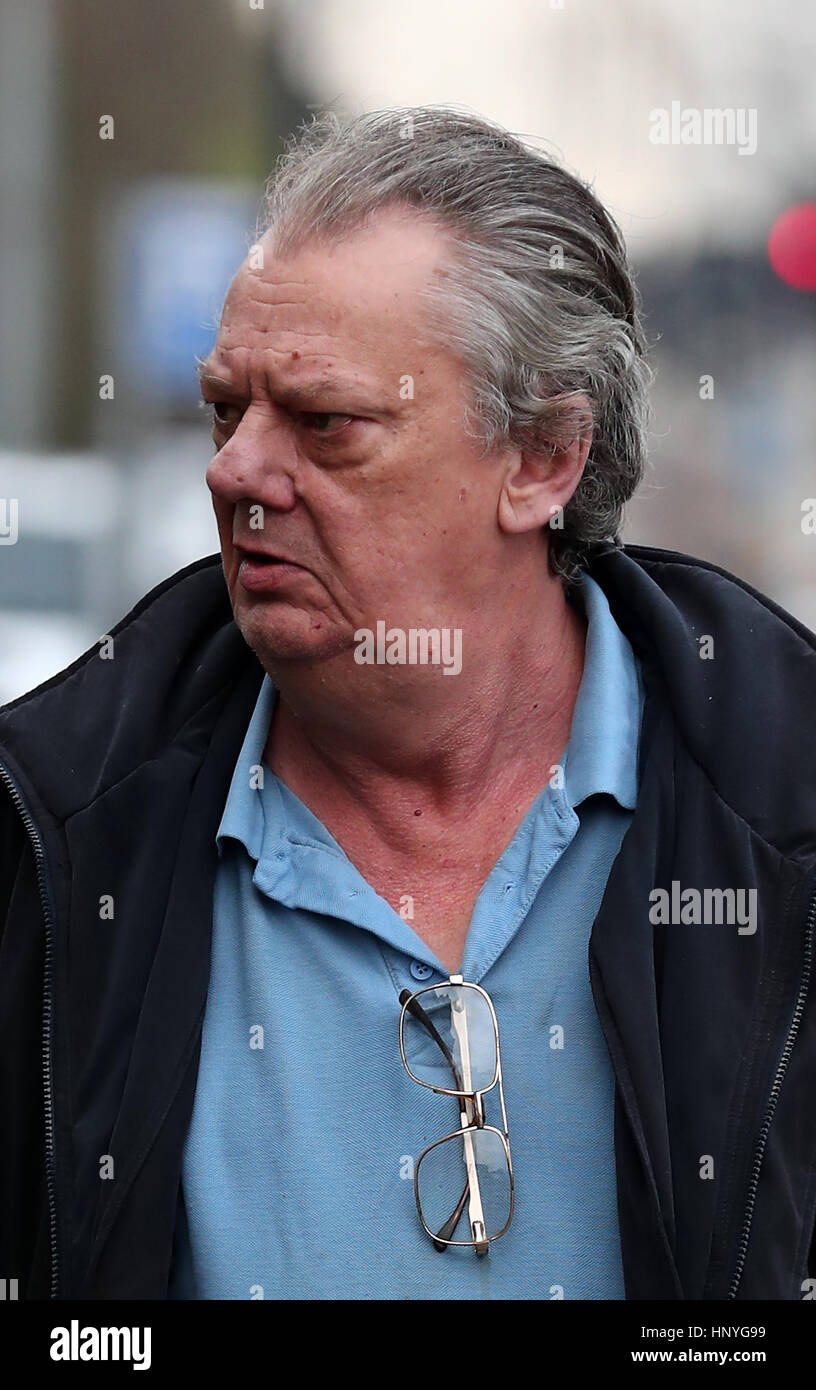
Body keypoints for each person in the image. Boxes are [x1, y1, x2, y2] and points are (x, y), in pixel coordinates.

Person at [1, 106, 814, 1302]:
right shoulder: (54, 837)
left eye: (325, 423)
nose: (234, 471)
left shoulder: (783, 810)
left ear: (542, 457)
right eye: (229, 409)